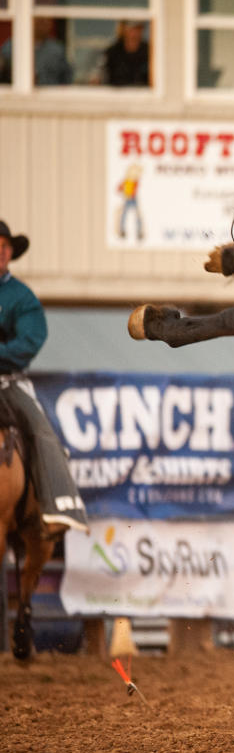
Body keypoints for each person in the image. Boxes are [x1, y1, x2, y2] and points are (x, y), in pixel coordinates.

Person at [0, 221, 87, 533]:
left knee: (39, 429)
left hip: (6, 381)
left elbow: (29, 341)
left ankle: (58, 505)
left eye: (4, 246)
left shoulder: (21, 297)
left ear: (10, 253)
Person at [101, 21, 149, 86]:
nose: (134, 32)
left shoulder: (149, 51)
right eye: (131, 28)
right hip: (117, 94)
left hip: (145, 94)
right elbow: (103, 76)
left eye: (138, 28)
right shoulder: (112, 52)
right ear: (123, 29)